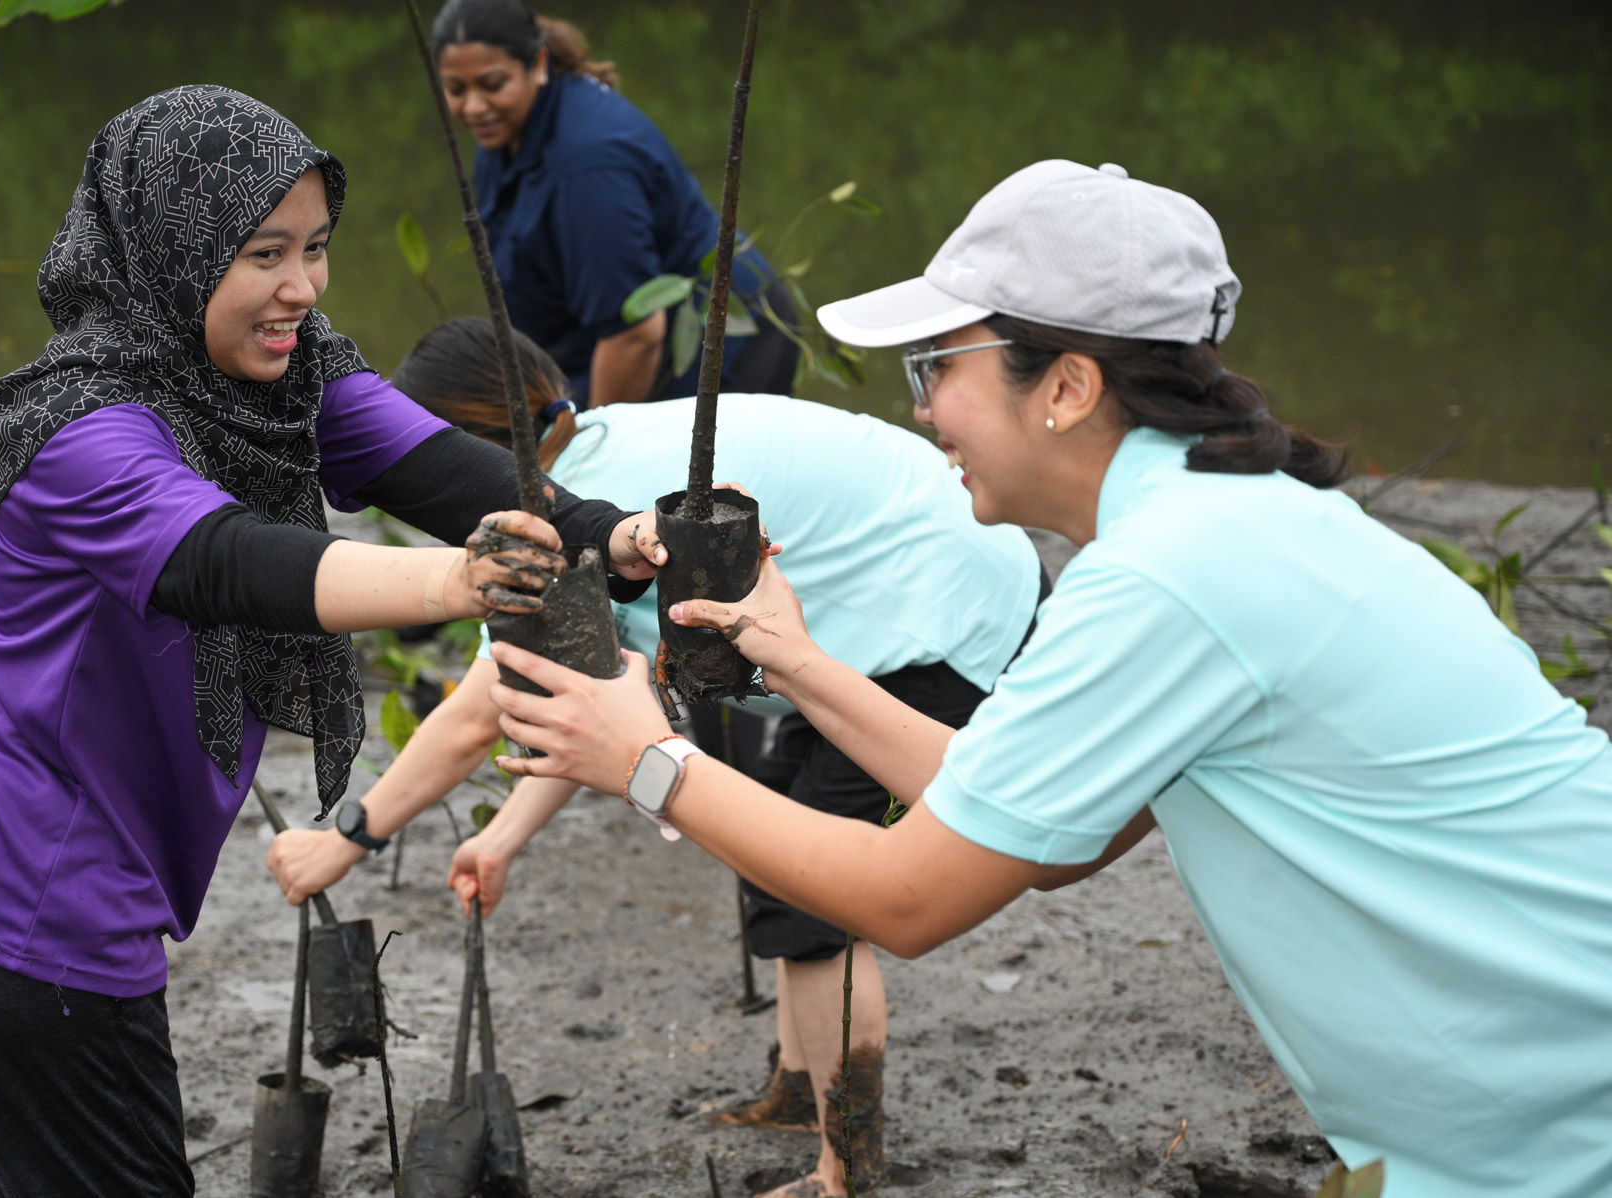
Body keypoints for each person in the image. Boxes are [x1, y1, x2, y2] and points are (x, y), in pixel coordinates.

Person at [476, 160, 1612, 1197]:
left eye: (937, 366)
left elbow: (907, 898)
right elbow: (1036, 825)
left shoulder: (1172, 578)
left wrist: (649, 761)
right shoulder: (1221, 525)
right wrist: (801, 662)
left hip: (1564, 1122)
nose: (920, 406)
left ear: (1066, 385)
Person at [0, 86, 667, 1197]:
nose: (301, 288)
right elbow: (227, 560)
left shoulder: (280, 374)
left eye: (318, 248)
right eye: (264, 255)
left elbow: (430, 464)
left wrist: (614, 533)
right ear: (174, 251)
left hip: (35, 864)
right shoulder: (80, 430)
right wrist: (460, 576)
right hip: (13, 893)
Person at [266, 316, 1046, 1196]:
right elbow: (594, 705)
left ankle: (847, 1170)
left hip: (940, 619)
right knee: (783, 854)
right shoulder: (603, 450)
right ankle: (799, 1087)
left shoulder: (574, 506)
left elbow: (477, 714)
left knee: (820, 902)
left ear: (473, 449)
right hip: (869, 617)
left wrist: (347, 840)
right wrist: (504, 840)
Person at [431, 0, 799, 407]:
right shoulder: (505, 131)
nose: (474, 107)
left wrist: (590, 451)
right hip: (612, 339)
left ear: (537, 64)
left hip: (722, 337)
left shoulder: (585, 169)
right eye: (456, 89)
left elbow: (635, 334)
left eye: (493, 84)